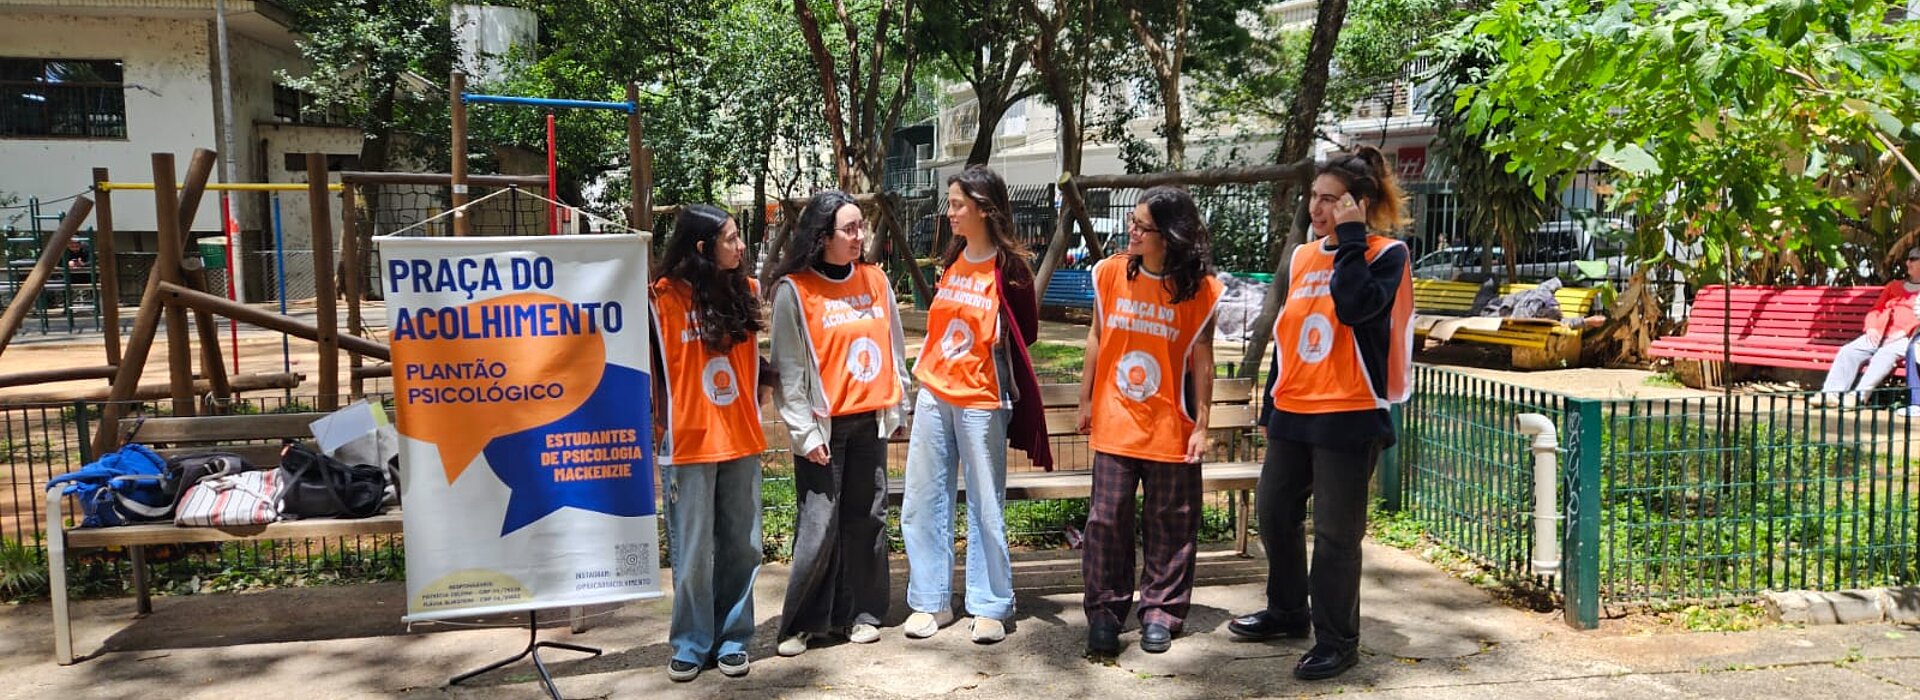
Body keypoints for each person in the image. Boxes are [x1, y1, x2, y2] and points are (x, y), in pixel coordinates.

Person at [1228, 146, 1414, 681]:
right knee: (1274, 511)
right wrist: (1269, 405)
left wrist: (1351, 241)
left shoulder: (1386, 255)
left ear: (1359, 204)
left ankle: (1338, 639)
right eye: (1314, 197)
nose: (1317, 208)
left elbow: (1356, 306)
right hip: (1294, 409)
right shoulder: (1303, 256)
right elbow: (1288, 335)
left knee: (1336, 535)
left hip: (1351, 412)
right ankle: (1288, 610)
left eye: (1330, 200)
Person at [901, 165, 1052, 644]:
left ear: (984, 209)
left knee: (986, 504)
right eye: (950, 204)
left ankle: (989, 604)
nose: (950, 213)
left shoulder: (1010, 271)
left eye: (957, 205)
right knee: (924, 499)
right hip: (934, 392)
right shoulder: (952, 258)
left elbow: (1025, 333)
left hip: (983, 400)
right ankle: (930, 601)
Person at [1074, 186, 1223, 656]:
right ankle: (1104, 612)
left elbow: (1203, 362)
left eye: (1142, 226)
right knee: (1106, 521)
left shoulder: (1200, 290)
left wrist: (1201, 425)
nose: (1131, 230)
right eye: (1133, 222)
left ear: (1170, 236)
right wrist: (1085, 401)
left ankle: (1162, 611)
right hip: (1117, 421)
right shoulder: (1110, 274)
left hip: (1170, 426)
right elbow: (1098, 336)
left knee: (1172, 522)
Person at [767, 190, 911, 656]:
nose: (859, 235)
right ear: (822, 235)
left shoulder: (875, 280)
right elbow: (788, 371)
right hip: (822, 432)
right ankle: (802, 624)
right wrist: (804, 435)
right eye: (849, 229)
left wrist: (900, 406)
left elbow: (894, 347)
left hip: (869, 421)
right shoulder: (795, 291)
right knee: (820, 524)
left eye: (860, 227)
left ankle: (862, 614)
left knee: (867, 518)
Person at [650, 205, 773, 682]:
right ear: (702, 247)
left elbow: (759, 367)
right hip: (688, 445)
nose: (741, 248)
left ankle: (734, 638)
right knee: (693, 551)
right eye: (731, 239)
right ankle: (690, 641)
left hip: (741, 440)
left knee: (744, 546)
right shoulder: (661, 298)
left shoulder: (749, 291)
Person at [1815, 250, 1920, 407]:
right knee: (1848, 351)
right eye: (1908, 259)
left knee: (1884, 355)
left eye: (1913, 259)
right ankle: (1829, 394)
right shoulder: (1894, 286)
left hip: (1907, 338)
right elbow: (1875, 310)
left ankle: (1858, 397)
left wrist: (1904, 332)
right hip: (1879, 333)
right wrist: (1871, 328)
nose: (1908, 263)